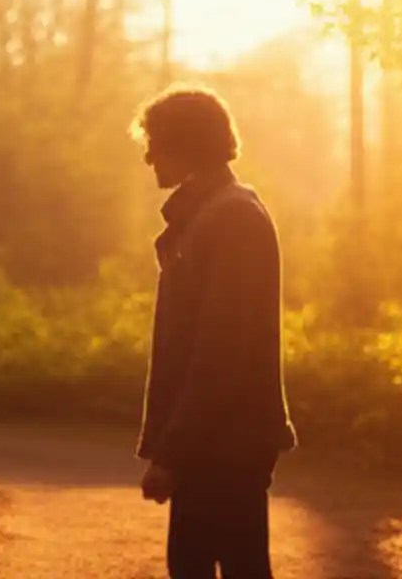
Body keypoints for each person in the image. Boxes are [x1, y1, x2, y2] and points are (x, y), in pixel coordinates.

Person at [131, 86, 298, 579]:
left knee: (216, 567)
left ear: (186, 144)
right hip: (218, 441)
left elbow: (219, 352)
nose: (148, 157)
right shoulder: (210, 214)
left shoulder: (232, 218)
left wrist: (172, 450)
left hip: (226, 444)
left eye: (156, 142)